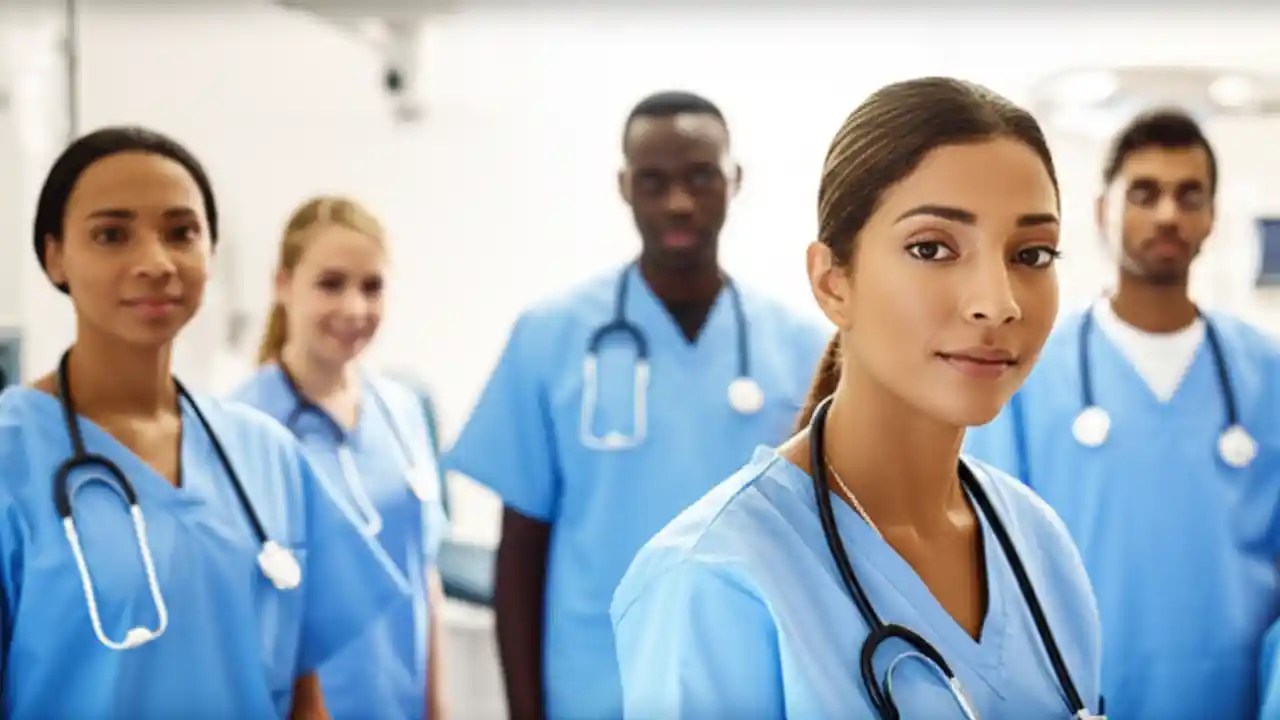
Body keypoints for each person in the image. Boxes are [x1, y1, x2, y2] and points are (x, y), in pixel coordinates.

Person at [610, 77, 1105, 719]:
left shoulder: (1037, 543)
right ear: (832, 282)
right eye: (932, 248)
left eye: (1032, 254)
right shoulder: (714, 578)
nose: (998, 302)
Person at [443, 90, 829, 719]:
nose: (678, 201)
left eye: (699, 177)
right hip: (596, 686)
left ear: (734, 180)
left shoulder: (804, 349)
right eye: (653, 181)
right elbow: (520, 552)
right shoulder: (549, 337)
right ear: (624, 187)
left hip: (751, 687)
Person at [0, 127, 408, 717]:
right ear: (54, 255)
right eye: (111, 234)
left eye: (181, 233)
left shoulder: (267, 453)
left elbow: (303, 696)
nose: (155, 262)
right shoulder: (12, 456)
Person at [962, 109, 1280, 720]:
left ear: (1212, 217)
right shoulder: (1028, 372)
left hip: (1235, 696)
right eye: (1144, 193)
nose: (1167, 214)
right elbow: (988, 563)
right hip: (1074, 696)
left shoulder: (1266, 373)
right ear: (1102, 209)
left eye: (1189, 195)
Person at [231, 196, 451, 720]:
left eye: (371, 287)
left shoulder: (403, 410)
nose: (355, 309)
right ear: (283, 285)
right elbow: (238, 614)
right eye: (331, 284)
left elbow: (424, 575)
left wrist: (438, 708)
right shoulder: (242, 427)